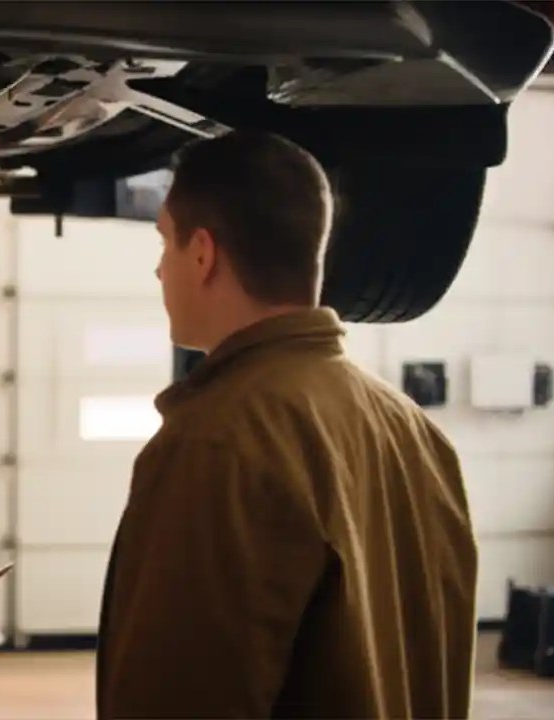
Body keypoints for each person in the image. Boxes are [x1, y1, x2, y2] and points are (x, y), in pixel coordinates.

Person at [96, 132, 478, 719]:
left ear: (203, 254)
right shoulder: (415, 433)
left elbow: (178, 697)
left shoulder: (219, 441)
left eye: (164, 243)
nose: (158, 269)